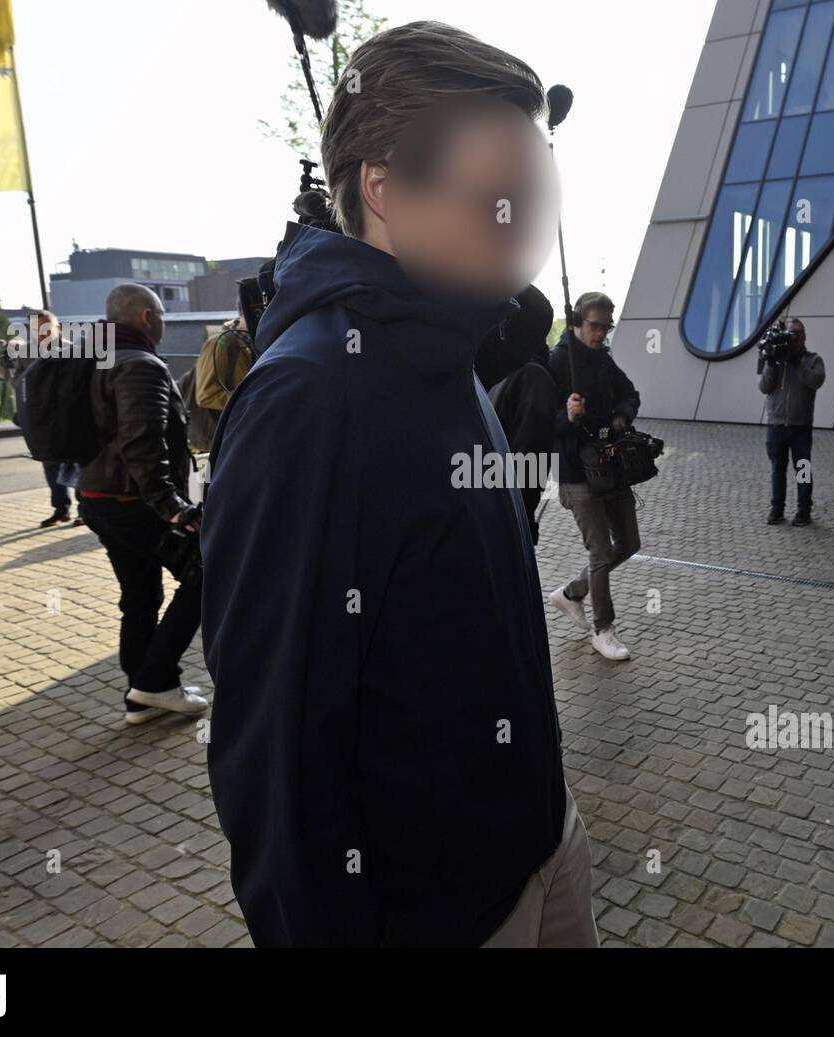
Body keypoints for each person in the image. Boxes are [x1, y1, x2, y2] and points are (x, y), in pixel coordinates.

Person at [201, 22, 596, 948]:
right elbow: (278, 759)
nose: (529, 230)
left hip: (545, 843)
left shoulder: (441, 337)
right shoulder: (309, 400)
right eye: (500, 200)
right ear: (383, 188)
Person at [76, 284, 208, 726]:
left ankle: (141, 696)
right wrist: (174, 508)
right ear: (148, 318)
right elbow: (142, 443)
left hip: (98, 499)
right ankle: (155, 681)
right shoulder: (140, 366)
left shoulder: (97, 360)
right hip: (135, 504)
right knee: (205, 575)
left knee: (139, 595)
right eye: (163, 315)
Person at [547, 291, 642, 661]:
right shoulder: (557, 361)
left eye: (606, 327)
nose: (600, 333)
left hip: (611, 467)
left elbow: (630, 393)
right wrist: (565, 417)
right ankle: (604, 631)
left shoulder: (603, 360)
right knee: (600, 552)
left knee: (629, 543)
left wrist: (622, 414)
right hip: (575, 472)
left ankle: (571, 593)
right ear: (576, 321)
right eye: (594, 325)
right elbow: (539, 421)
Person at [476, 283, 559, 544]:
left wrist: (518, 521)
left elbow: (530, 460)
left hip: (498, 523)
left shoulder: (531, 378)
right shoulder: (481, 373)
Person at [11, 309, 83, 527]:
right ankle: (61, 509)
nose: (41, 334)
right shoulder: (27, 354)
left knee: (79, 464)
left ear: (57, 328)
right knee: (50, 466)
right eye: (36, 330)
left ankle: (84, 509)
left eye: (45, 328)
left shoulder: (75, 351)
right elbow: (17, 383)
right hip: (43, 421)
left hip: (71, 419)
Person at [758, 318, 825, 526]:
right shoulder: (776, 357)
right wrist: (771, 363)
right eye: (791, 333)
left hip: (801, 427)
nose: (794, 337)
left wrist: (798, 362)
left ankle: (804, 510)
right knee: (778, 469)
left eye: (798, 333)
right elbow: (764, 387)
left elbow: (815, 381)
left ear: (804, 336)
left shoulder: (813, 359)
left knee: (803, 469)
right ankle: (777, 509)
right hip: (776, 425)